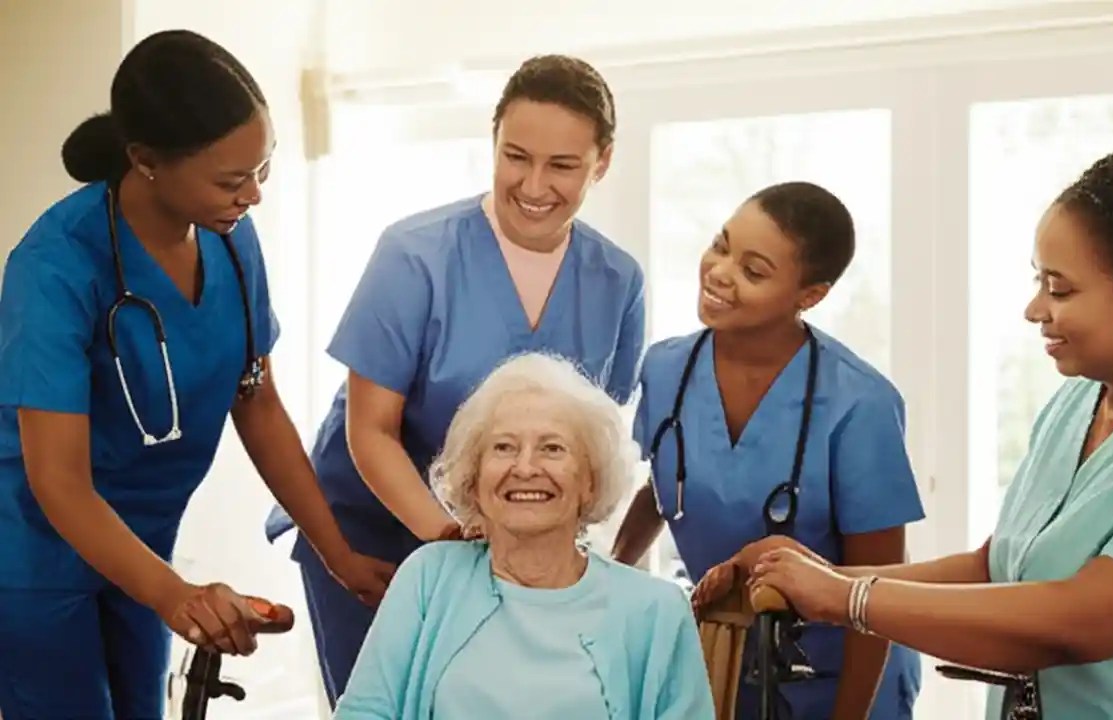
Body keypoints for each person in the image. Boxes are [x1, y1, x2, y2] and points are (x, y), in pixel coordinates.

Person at [748, 149, 1113, 719]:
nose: (1035, 309)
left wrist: (847, 599)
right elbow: (998, 566)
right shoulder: (1078, 402)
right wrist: (809, 577)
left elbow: (1082, 623)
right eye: (1039, 282)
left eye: (1060, 289)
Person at [0, 30, 393, 720]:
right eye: (231, 179)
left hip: (144, 539)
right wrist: (175, 596)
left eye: (262, 170)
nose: (253, 197)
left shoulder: (232, 238)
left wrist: (336, 553)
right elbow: (57, 479)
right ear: (145, 161)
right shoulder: (57, 264)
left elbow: (257, 400)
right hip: (34, 549)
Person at [264, 53, 646, 705]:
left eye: (562, 165)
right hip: (378, 536)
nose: (532, 185)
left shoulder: (618, 281)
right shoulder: (414, 253)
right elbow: (371, 430)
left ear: (602, 162)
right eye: (515, 156)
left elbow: (590, 445)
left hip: (516, 550)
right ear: (493, 144)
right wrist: (449, 539)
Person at [611, 181, 926, 719]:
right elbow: (665, 484)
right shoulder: (665, 369)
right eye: (721, 244)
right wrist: (611, 572)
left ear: (810, 296)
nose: (720, 272)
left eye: (753, 271)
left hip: (840, 674)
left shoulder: (859, 403)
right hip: (722, 656)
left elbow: (876, 586)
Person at [333, 353, 713, 718]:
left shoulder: (656, 610)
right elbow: (364, 712)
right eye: (504, 447)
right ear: (474, 479)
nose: (526, 467)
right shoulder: (428, 579)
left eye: (552, 448)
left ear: (590, 482)